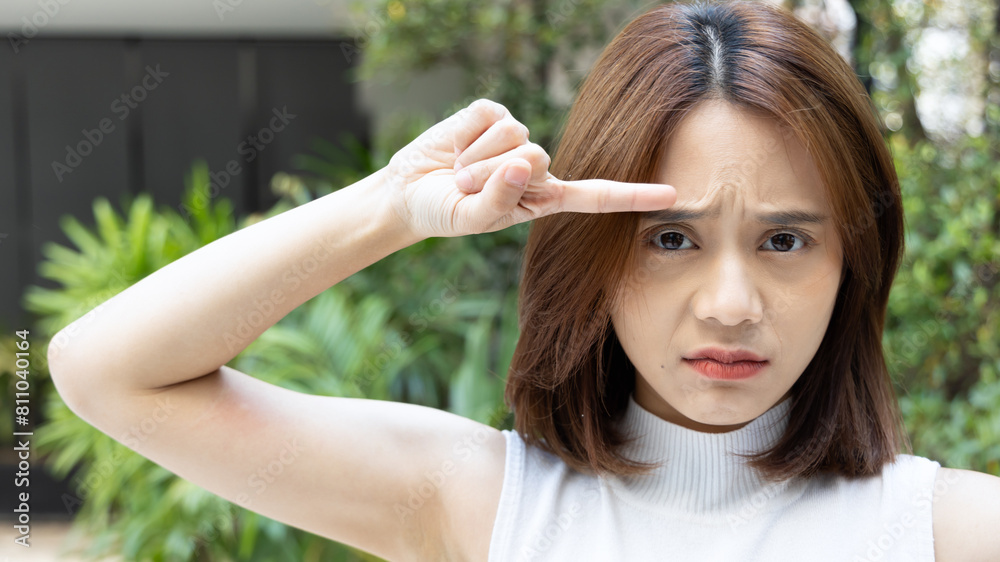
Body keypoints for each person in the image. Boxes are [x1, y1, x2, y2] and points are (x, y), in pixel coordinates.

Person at [47, 0, 999, 560]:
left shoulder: (942, 530)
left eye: (786, 242)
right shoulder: (480, 501)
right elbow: (106, 371)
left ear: (854, 267)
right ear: (590, 254)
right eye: (669, 238)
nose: (730, 303)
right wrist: (389, 207)